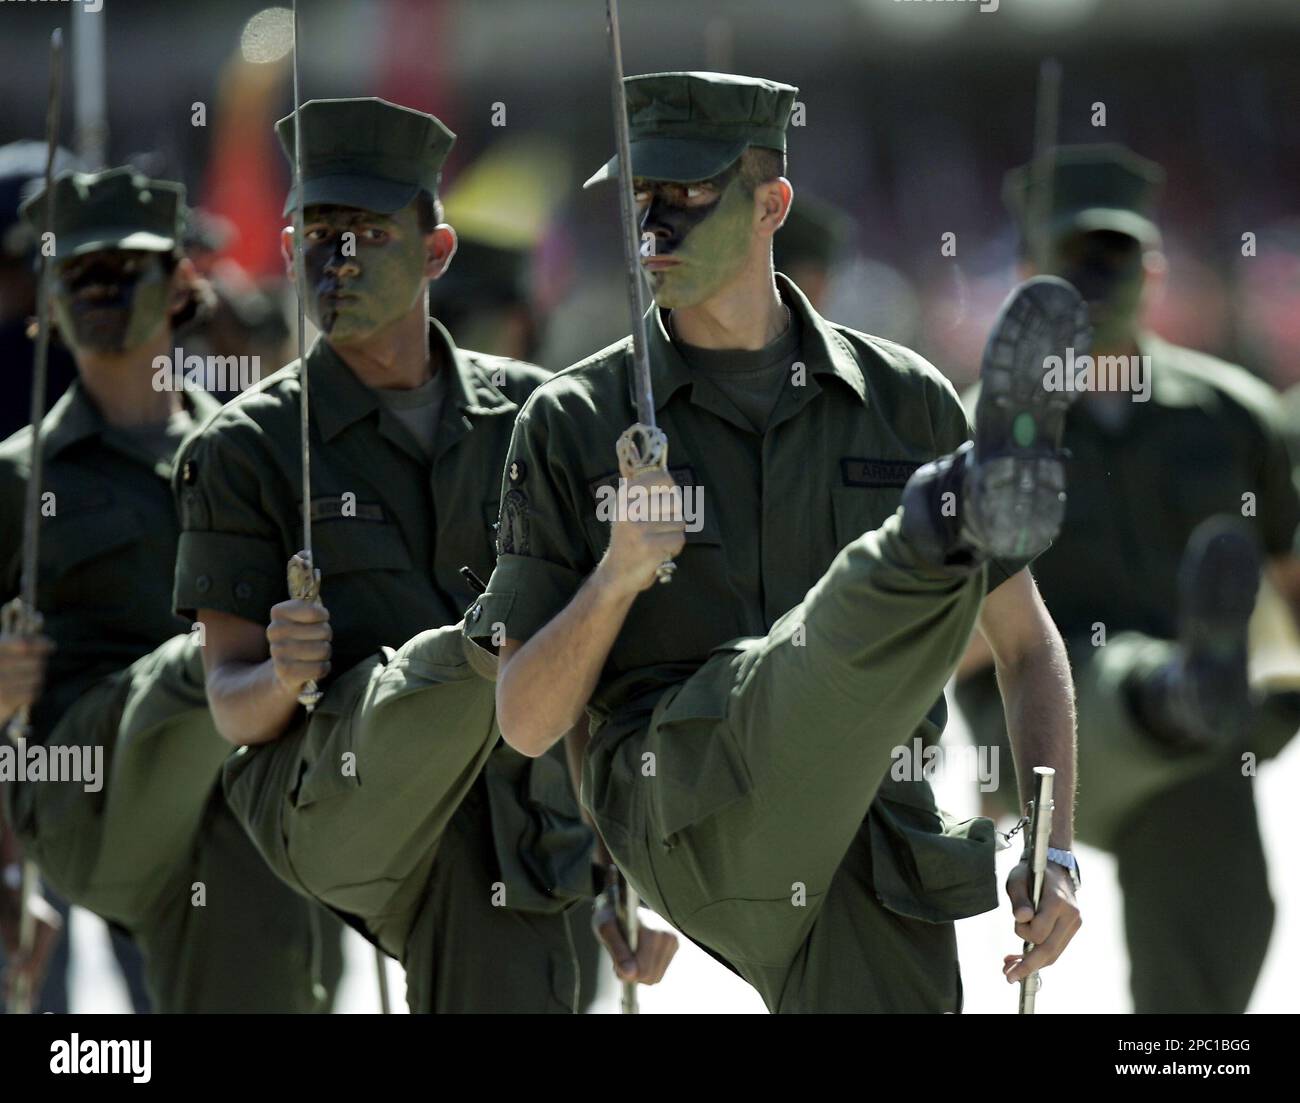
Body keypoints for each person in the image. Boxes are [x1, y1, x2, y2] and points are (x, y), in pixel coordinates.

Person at [472, 71, 1083, 1013]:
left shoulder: (902, 398)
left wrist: (1056, 848)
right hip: (685, 809)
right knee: (807, 662)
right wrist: (617, 575)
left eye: (686, 196)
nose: (652, 229)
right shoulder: (575, 421)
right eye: (640, 199)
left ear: (771, 204)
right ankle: (942, 517)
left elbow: (1029, 644)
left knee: (839, 685)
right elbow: (525, 717)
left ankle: (944, 521)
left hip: (868, 833)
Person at [176, 97, 676, 1012]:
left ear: (436, 252)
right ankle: (491, 642)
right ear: (287, 254)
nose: (338, 258)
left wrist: (623, 866)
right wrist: (284, 677)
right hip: (340, 802)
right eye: (316, 234)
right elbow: (231, 706)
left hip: (505, 827)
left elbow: (593, 689)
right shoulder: (247, 446)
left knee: (493, 893)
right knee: (484, 657)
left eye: (367, 231)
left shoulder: (542, 418)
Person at [957, 144, 1300, 1012]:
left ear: (1153, 267)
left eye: (1118, 256)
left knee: (1221, 909)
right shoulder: (980, 432)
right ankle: (1180, 688)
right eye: (1077, 258)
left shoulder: (1232, 417)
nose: (1100, 278)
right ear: (1031, 273)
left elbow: (1292, 579)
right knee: (1097, 678)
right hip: (1030, 733)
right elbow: (927, 630)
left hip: (1196, 756)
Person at [0, 167, 342, 1012]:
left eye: (126, 269)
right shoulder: (18, 481)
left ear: (181, 282)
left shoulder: (247, 457)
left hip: (226, 811)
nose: (101, 290)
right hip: (90, 808)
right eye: (78, 274)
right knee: (203, 671)